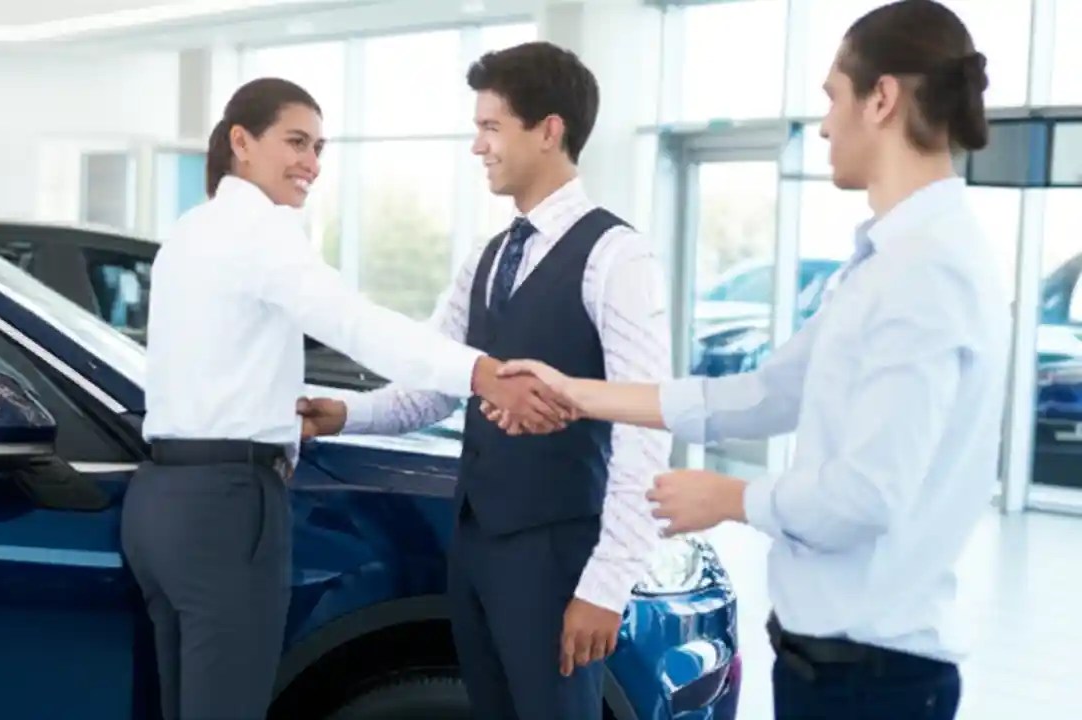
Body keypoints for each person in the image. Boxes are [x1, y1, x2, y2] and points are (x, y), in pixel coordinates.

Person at [492, 2, 1009, 718]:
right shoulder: (886, 261)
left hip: (874, 680)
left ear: (882, 99)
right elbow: (762, 393)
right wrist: (578, 393)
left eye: (833, 97)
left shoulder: (927, 272)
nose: (825, 125)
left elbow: (866, 495)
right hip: (835, 666)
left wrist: (729, 499)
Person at [120, 77, 572, 720]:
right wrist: (481, 373)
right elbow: (355, 323)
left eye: (320, 147)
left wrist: (328, 409)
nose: (312, 163)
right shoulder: (260, 230)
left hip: (160, 501)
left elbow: (218, 362)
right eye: (296, 142)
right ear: (241, 142)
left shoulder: (190, 233)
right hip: (226, 505)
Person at [297, 42, 672, 720]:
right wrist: (342, 414)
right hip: (475, 548)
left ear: (549, 131)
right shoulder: (489, 256)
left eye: (491, 127)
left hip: (557, 553)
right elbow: (435, 384)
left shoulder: (618, 256)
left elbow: (646, 425)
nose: (477, 147)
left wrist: (608, 585)